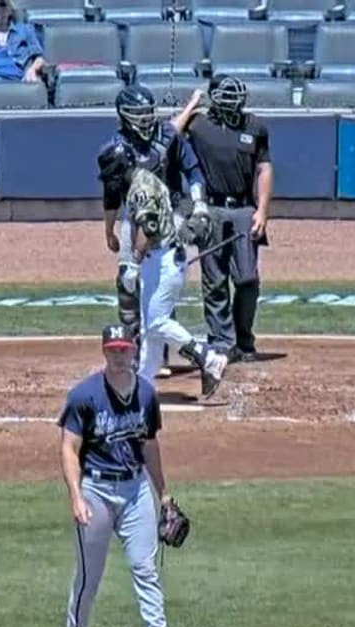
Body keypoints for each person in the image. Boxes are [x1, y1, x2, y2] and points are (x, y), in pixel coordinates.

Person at [57, 324, 179, 627]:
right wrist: (76, 495)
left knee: (146, 569)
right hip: (96, 492)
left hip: (135, 489)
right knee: (89, 579)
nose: (119, 355)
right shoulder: (85, 396)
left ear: (133, 349)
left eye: (124, 349)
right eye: (113, 349)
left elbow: (150, 445)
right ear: (103, 351)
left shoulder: (146, 394)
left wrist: (164, 494)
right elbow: (69, 447)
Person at [95, 84, 230, 400]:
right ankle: (143, 379)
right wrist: (111, 233)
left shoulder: (145, 181)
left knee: (155, 320)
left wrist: (133, 261)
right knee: (148, 319)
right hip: (157, 241)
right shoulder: (122, 157)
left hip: (159, 243)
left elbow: (149, 226)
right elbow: (116, 200)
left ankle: (208, 356)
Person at [173, 76, 274, 363]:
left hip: (243, 209)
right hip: (210, 209)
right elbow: (170, 133)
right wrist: (192, 104)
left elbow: (264, 169)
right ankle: (221, 341)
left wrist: (263, 210)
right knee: (214, 280)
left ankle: (244, 340)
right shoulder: (198, 124)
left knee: (247, 279)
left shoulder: (254, 127)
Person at [0, 0, 45, 84]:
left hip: (16, 76)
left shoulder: (24, 30)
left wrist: (32, 69)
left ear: (10, 10)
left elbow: (40, 58)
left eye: (2, 4)